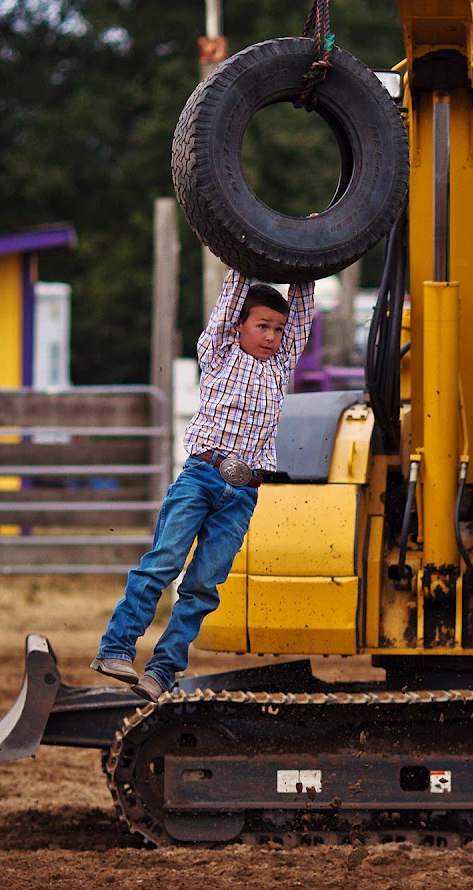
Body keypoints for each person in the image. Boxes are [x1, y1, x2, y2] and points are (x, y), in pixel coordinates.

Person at [90, 266, 316, 700]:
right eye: (262, 326)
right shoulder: (219, 351)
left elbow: (303, 311)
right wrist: (248, 248)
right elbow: (231, 293)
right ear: (239, 326)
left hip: (244, 492)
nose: (271, 336)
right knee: (163, 562)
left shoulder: (282, 365)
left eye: (277, 329)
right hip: (201, 477)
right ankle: (115, 648)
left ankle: (162, 671)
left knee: (202, 586)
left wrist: (309, 260)